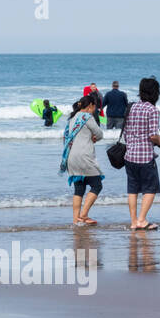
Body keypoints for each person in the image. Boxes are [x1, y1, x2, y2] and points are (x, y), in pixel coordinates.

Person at [122, 77, 160, 230]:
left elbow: (126, 132)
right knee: (151, 188)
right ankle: (142, 220)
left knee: (132, 189)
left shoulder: (131, 107)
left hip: (129, 155)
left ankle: (134, 222)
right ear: (155, 93)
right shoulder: (152, 110)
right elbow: (153, 135)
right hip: (145, 156)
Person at [60, 91, 104, 225]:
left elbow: (65, 138)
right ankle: (84, 215)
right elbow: (100, 134)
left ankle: (76, 220)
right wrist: (93, 137)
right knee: (97, 185)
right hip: (84, 156)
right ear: (90, 105)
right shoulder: (87, 117)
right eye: (95, 106)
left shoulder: (72, 118)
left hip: (71, 157)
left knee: (79, 189)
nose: (95, 109)